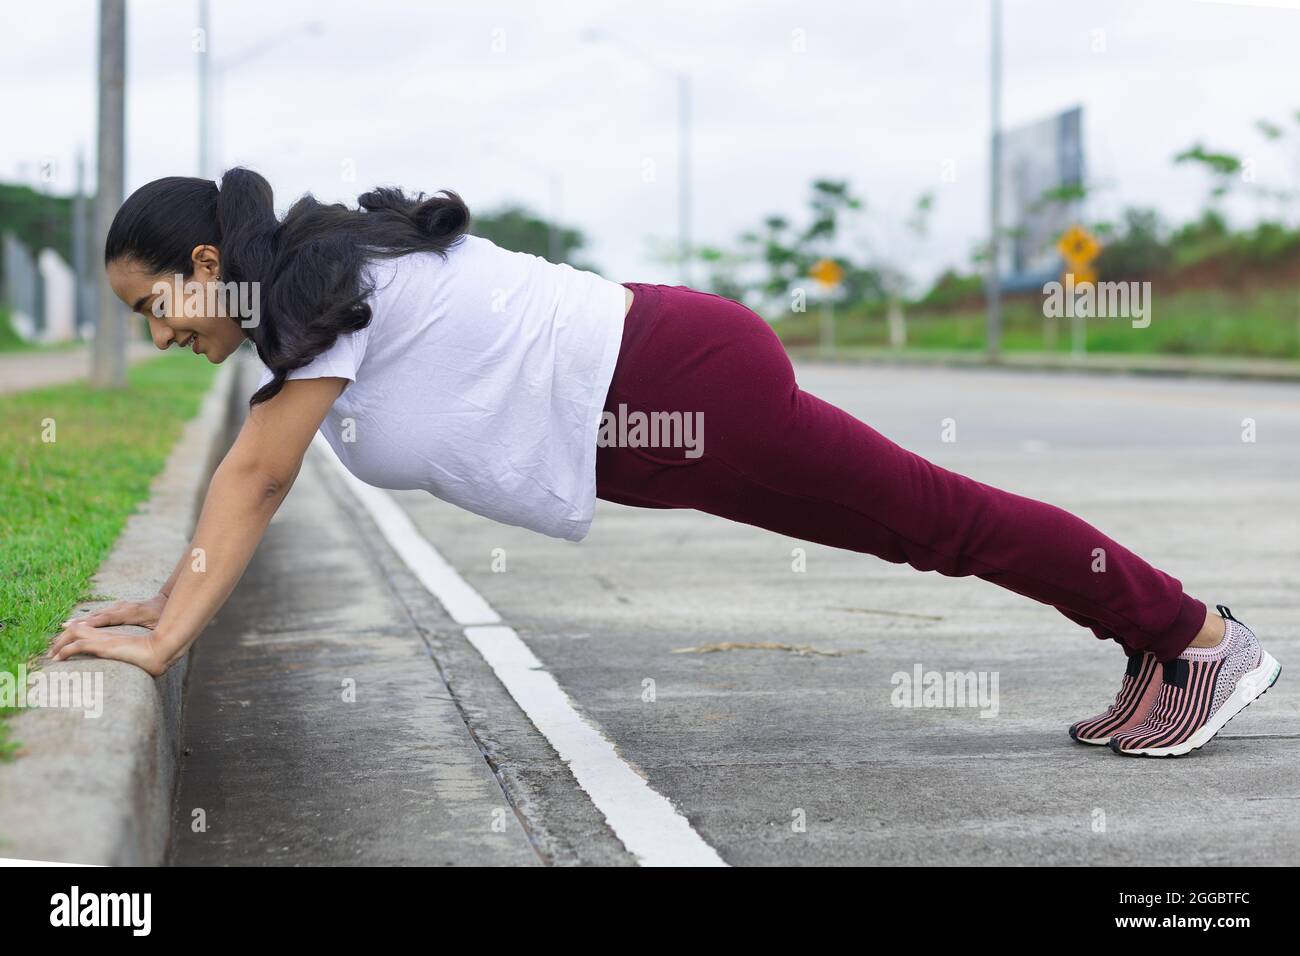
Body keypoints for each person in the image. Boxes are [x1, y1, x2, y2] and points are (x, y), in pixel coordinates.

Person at [53, 168, 1280, 758]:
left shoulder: (322, 287)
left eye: (152, 302)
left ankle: (1193, 636)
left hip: (678, 383)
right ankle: (1160, 635)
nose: (159, 333)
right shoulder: (306, 299)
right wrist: (167, 597)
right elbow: (249, 477)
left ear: (210, 259)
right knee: (929, 523)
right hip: (663, 390)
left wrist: (166, 637)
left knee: (937, 516)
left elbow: (255, 478)